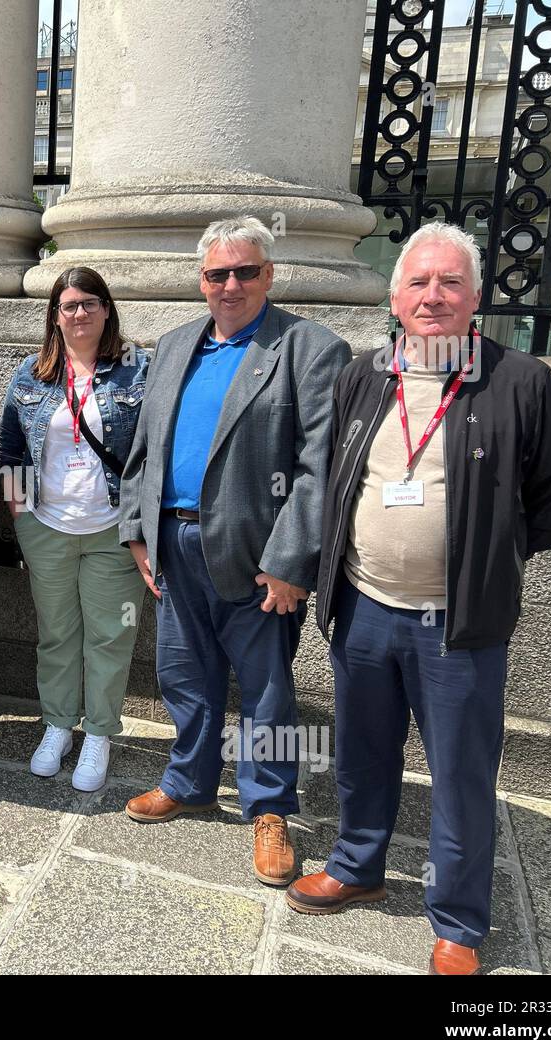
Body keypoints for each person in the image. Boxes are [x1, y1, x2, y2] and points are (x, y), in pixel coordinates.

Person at [286, 222, 551, 976]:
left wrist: (491, 559)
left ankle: (457, 920)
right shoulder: (363, 375)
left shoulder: (521, 382)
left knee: (459, 771)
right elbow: (332, 476)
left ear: (475, 296)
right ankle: (358, 864)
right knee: (361, 752)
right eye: (418, 282)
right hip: (362, 610)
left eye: (450, 282)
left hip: (458, 629)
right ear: (394, 298)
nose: (433, 296)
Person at [118, 216, 352, 888]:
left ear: (269, 275)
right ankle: (189, 780)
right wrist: (138, 530)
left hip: (258, 558)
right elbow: (144, 449)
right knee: (184, 674)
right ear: (201, 280)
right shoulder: (172, 346)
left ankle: (270, 806)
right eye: (217, 273)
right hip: (174, 542)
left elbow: (318, 468)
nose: (231, 284)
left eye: (245, 271)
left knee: (268, 691)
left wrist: (291, 559)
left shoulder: (310, 350)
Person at [0, 267, 148, 792]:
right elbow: (9, 447)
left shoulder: (137, 372)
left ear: (106, 309)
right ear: (55, 316)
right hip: (48, 527)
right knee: (58, 634)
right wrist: (19, 510)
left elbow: (152, 451)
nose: (79, 313)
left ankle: (100, 733)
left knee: (109, 637)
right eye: (68, 305)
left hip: (112, 528)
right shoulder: (31, 374)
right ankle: (59, 724)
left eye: (89, 302)